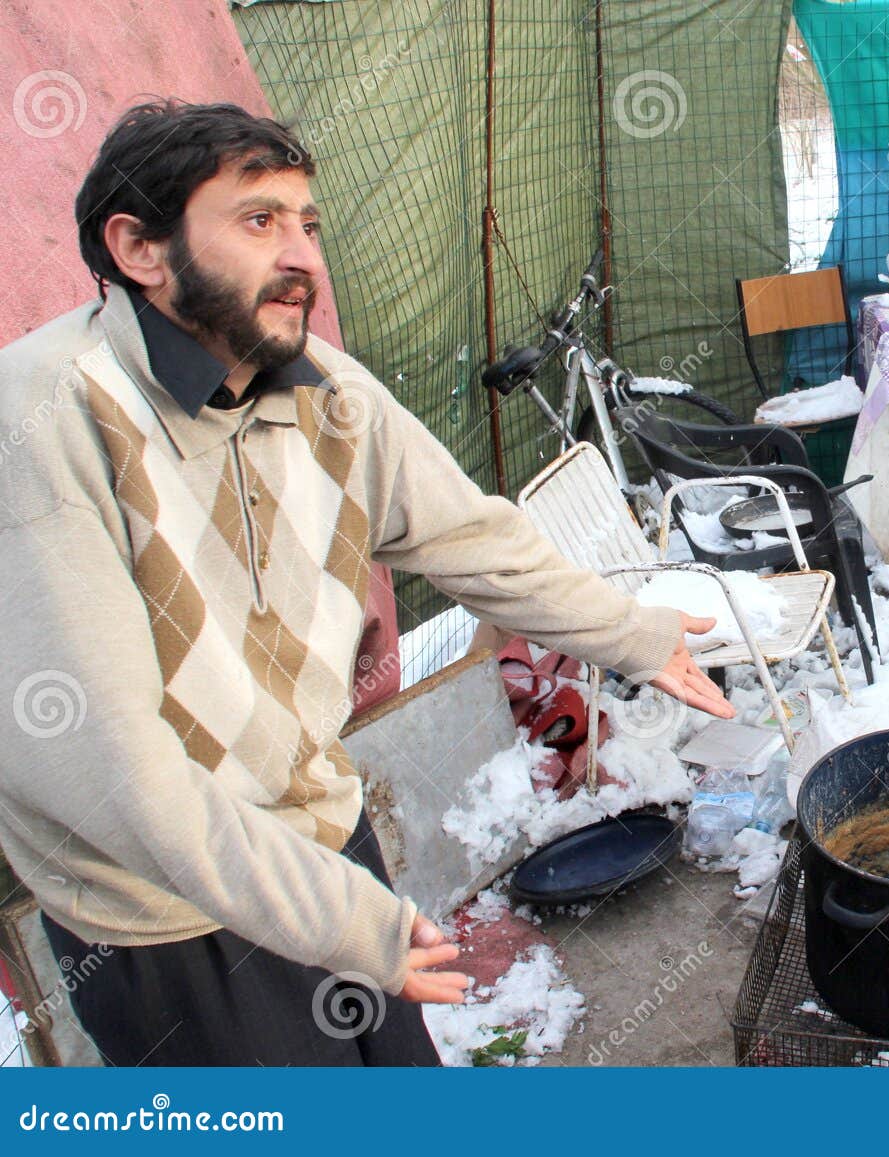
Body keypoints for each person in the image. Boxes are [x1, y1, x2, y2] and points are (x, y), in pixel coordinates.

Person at [0, 100, 733, 1066]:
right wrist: (355, 924)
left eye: (308, 224)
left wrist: (629, 632)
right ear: (138, 246)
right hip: (167, 914)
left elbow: (470, 536)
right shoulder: (45, 426)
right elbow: (116, 777)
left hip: (320, 833)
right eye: (259, 220)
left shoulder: (323, 389)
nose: (302, 254)